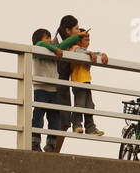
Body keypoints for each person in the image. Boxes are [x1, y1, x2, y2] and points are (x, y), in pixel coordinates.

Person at [30, 27, 83, 152]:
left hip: (54, 90)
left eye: (49, 37)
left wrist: (77, 36)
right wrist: (55, 49)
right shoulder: (37, 50)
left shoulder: (53, 52)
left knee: (55, 118)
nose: (49, 40)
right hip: (41, 88)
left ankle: (51, 144)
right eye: (47, 38)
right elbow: (41, 43)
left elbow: (64, 44)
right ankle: (34, 142)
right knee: (38, 116)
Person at [68, 29, 108, 135]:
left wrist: (102, 54)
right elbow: (78, 51)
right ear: (78, 41)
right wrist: (90, 53)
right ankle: (76, 125)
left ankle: (90, 128)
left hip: (86, 81)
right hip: (78, 81)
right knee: (79, 105)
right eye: (86, 39)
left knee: (90, 105)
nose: (88, 42)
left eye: (89, 40)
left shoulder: (86, 53)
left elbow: (94, 54)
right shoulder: (74, 48)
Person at [52, 15, 82, 153]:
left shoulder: (71, 45)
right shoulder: (55, 43)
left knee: (64, 122)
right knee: (55, 119)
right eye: (76, 28)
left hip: (63, 84)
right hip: (53, 83)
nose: (78, 31)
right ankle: (51, 151)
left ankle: (54, 154)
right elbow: (58, 49)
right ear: (68, 30)